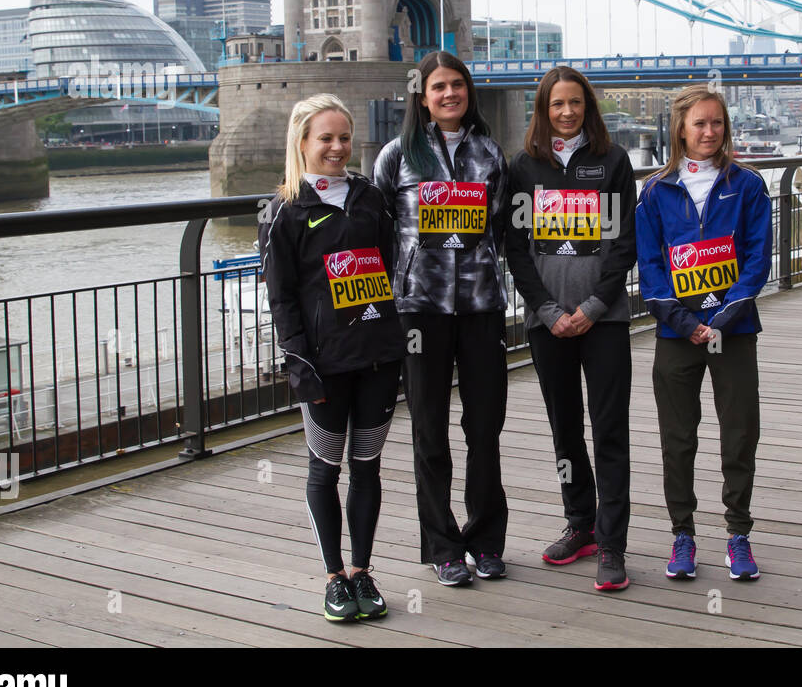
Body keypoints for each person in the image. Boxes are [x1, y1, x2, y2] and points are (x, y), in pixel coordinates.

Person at [259, 94, 405, 622]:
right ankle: (334, 578)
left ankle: (363, 572)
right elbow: (282, 297)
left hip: (378, 357)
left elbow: (389, 267)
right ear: (303, 143)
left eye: (344, 137)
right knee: (325, 468)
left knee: (367, 466)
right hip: (323, 364)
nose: (338, 148)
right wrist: (298, 362)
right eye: (325, 138)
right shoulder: (285, 211)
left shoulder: (370, 199)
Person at [373, 51, 511, 587]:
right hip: (419, 311)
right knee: (429, 429)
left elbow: (500, 225)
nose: (450, 94)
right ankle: (443, 545)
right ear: (422, 96)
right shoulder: (396, 156)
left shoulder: (489, 153)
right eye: (438, 87)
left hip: (480, 307)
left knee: (485, 427)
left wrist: (481, 270)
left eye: (458, 85)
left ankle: (486, 539)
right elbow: (381, 229)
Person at [506, 66, 637, 592]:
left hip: (603, 320)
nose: (566, 112)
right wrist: (545, 310)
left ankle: (611, 543)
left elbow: (625, 243)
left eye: (575, 103)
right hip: (548, 324)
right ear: (543, 109)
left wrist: (594, 305)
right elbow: (516, 249)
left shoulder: (613, 162)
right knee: (565, 430)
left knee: (609, 431)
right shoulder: (524, 168)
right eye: (557, 104)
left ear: (588, 107)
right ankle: (579, 523)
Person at [636, 84, 772, 581]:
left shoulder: (749, 186)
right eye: (700, 123)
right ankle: (683, 535)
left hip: (734, 331)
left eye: (717, 122)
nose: (709, 131)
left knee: (739, 434)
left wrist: (720, 318)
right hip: (677, 335)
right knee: (678, 438)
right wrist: (685, 322)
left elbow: (758, 259)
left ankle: (738, 534)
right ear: (681, 129)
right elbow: (649, 268)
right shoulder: (653, 192)